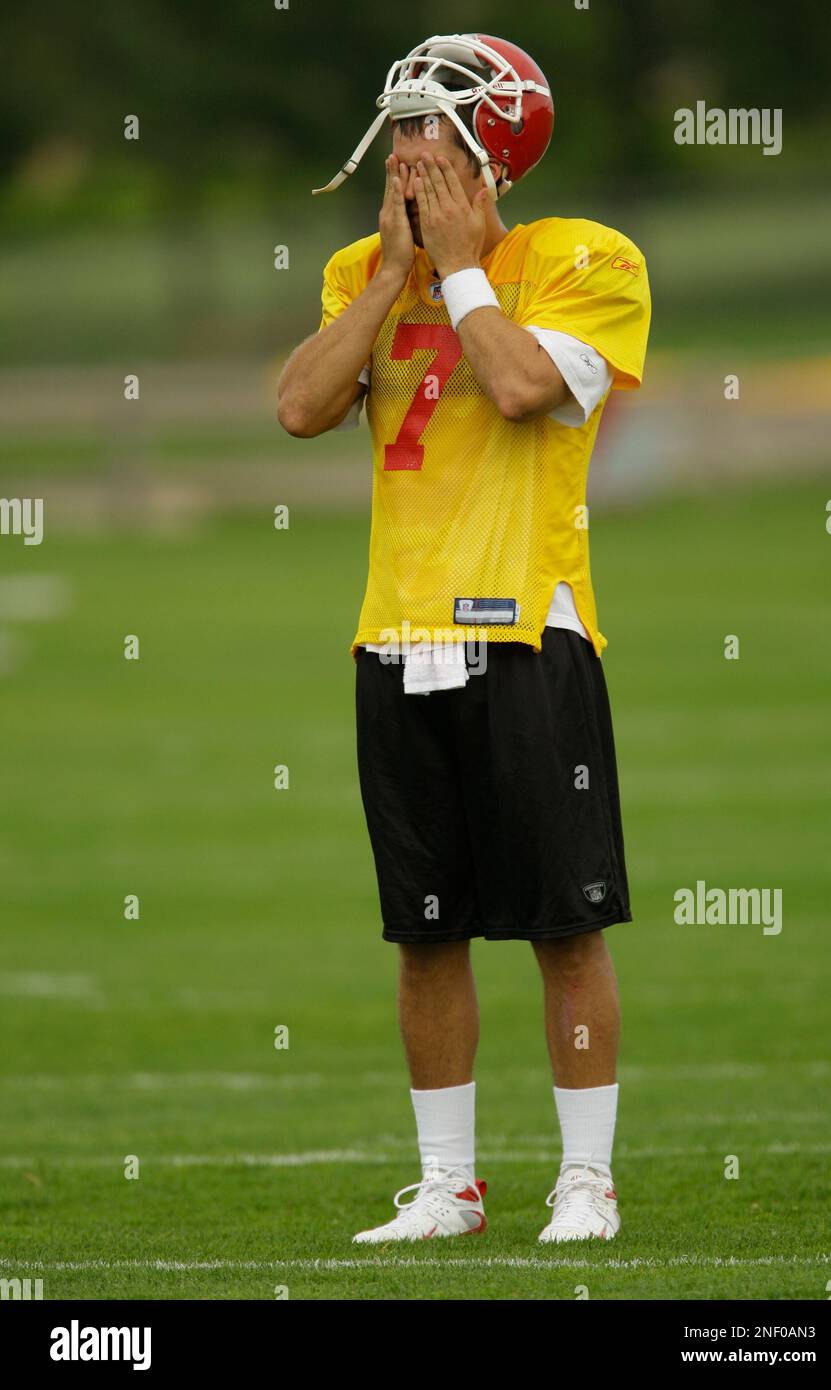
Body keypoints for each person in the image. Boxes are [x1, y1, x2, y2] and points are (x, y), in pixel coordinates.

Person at [277, 33, 651, 1243]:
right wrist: (395, 277)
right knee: (424, 933)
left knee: (563, 921)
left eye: (426, 127)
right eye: (395, 127)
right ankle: (447, 1186)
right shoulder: (359, 269)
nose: (403, 150)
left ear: (491, 148)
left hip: (527, 632)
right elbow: (298, 408)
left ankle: (583, 1180)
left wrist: (461, 271)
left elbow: (520, 387)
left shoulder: (584, 259)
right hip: (393, 635)